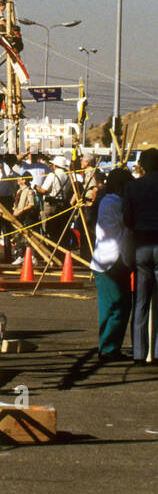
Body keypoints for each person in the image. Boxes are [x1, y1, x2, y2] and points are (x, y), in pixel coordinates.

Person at [91, 167, 134, 362]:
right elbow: (129, 222)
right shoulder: (116, 203)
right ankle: (109, 348)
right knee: (120, 305)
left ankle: (107, 345)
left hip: (103, 259)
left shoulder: (104, 201)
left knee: (108, 306)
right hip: (113, 260)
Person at [122, 147, 158, 364]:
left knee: (141, 301)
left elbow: (127, 218)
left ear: (142, 165)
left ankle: (138, 352)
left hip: (141, 244)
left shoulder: (132, 187)